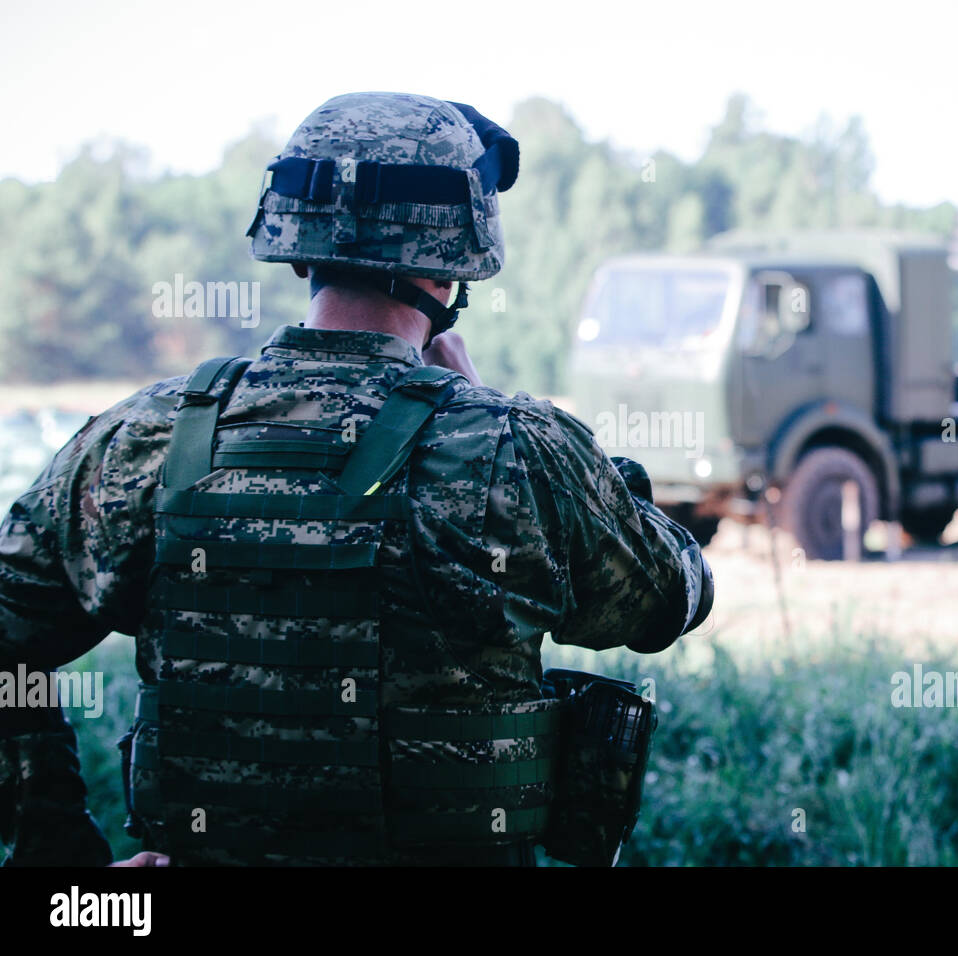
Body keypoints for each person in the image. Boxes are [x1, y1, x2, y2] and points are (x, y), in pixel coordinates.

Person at [0, 92, 713, 866]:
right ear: (454, 260)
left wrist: (60, 860)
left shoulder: (147, 435)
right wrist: (512, 421)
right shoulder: (517, 447)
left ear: (295, 245)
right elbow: (675, 595)